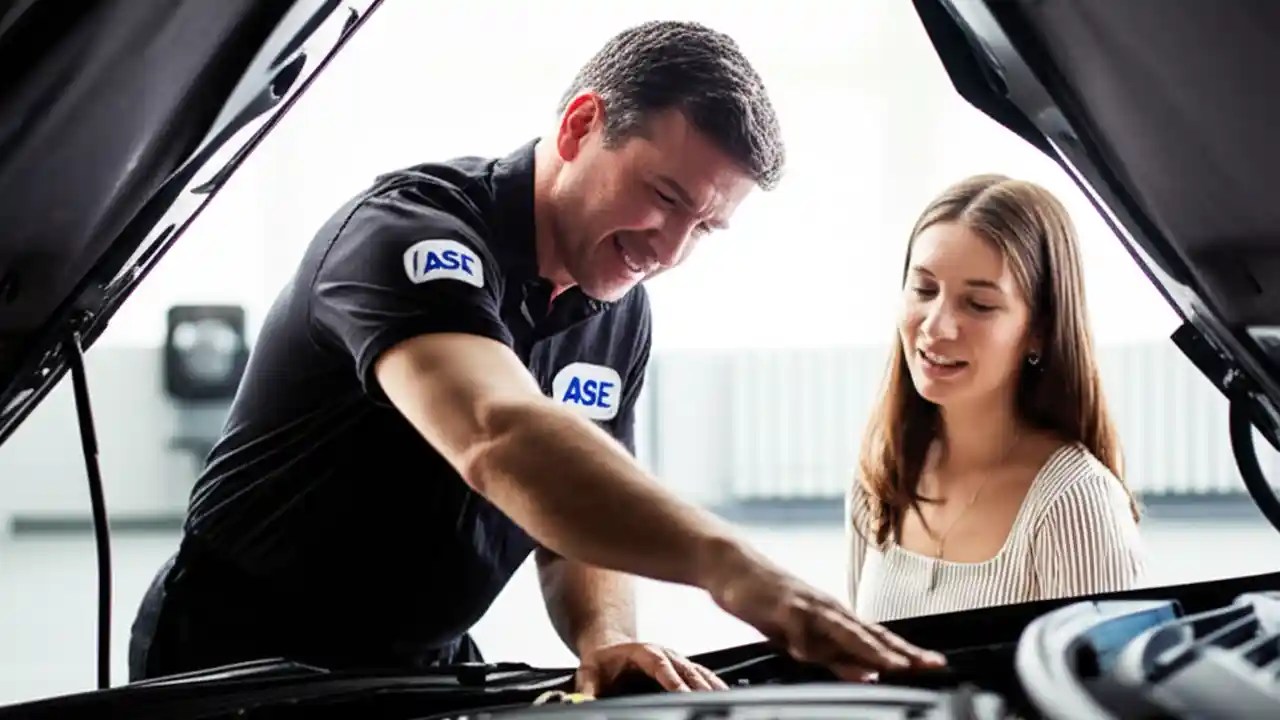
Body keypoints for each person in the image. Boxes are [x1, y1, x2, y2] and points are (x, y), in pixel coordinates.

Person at [130, 20, 946, 693]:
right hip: (238, 655)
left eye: (705, 227)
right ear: (581, 125)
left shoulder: (620, 313)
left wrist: (606, 636)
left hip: (420, 666)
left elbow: (572, 523)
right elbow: (498, 435)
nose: (668, 249)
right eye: (664, 197)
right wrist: (734, 567)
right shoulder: (408, 232)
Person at [846, 174, 1146, 623]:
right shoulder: (881, 474)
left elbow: (1104, 688)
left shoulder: (1075, 499)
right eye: (924, 290)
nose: (936, 326)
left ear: (1039, 332)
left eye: (979, 305)